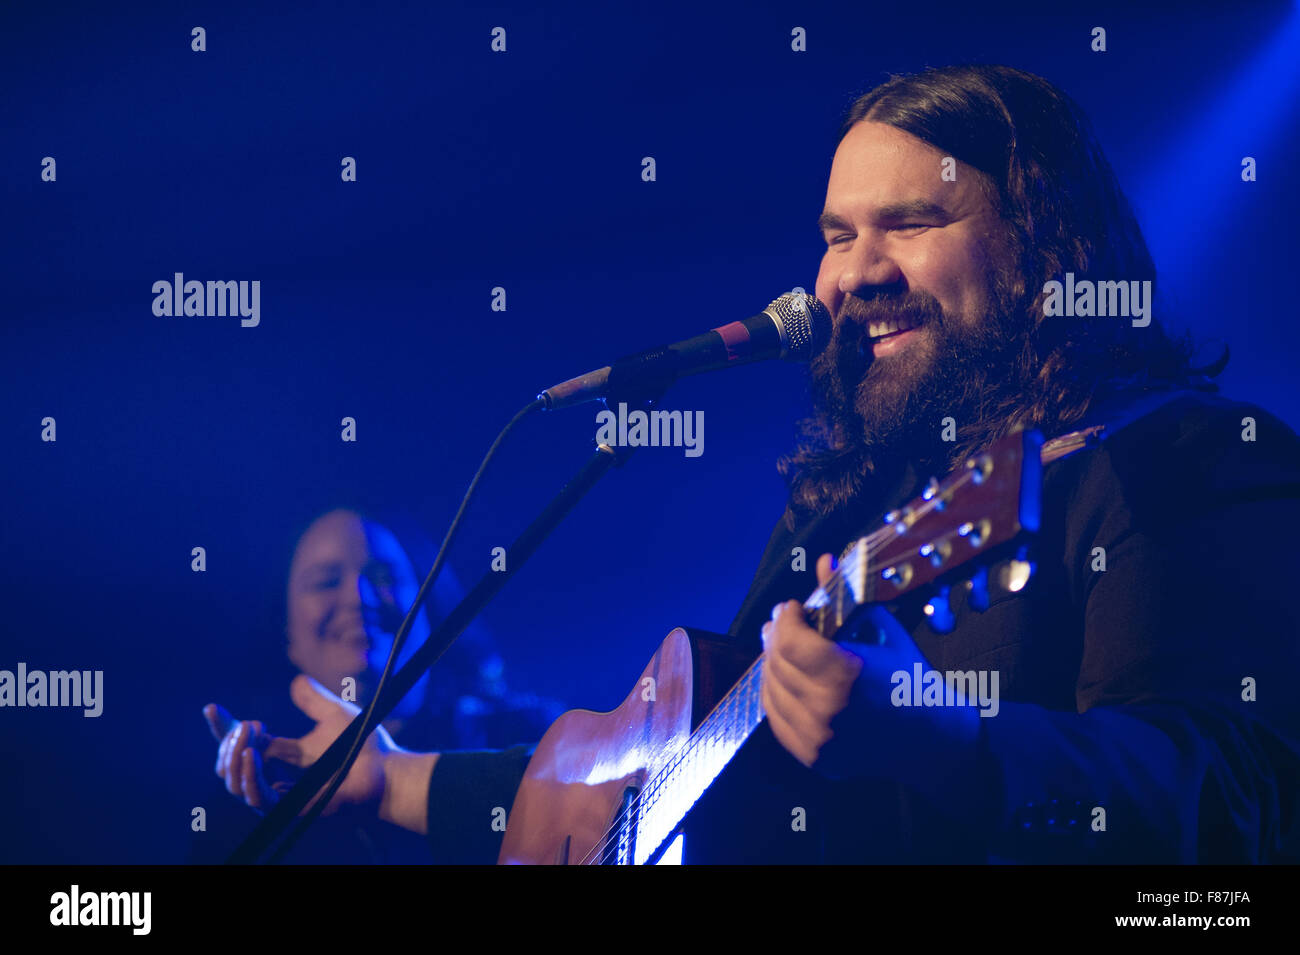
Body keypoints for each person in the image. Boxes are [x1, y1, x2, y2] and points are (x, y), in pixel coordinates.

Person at [211, 65, 1300, 863]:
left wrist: (951, 741)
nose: (854, 274)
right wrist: (388, 778)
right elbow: (648, 782)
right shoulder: (837, 519)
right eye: (836, 234)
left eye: (909, 223)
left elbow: (1241, 802)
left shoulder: (1177, 455)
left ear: (1045, 245)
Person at [195, 508, 560, 863]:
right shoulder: (248, 801)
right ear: (285, 630)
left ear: (429, 609)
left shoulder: (533, 733)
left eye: (384, 577)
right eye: (326, 582)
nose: (358, 598)